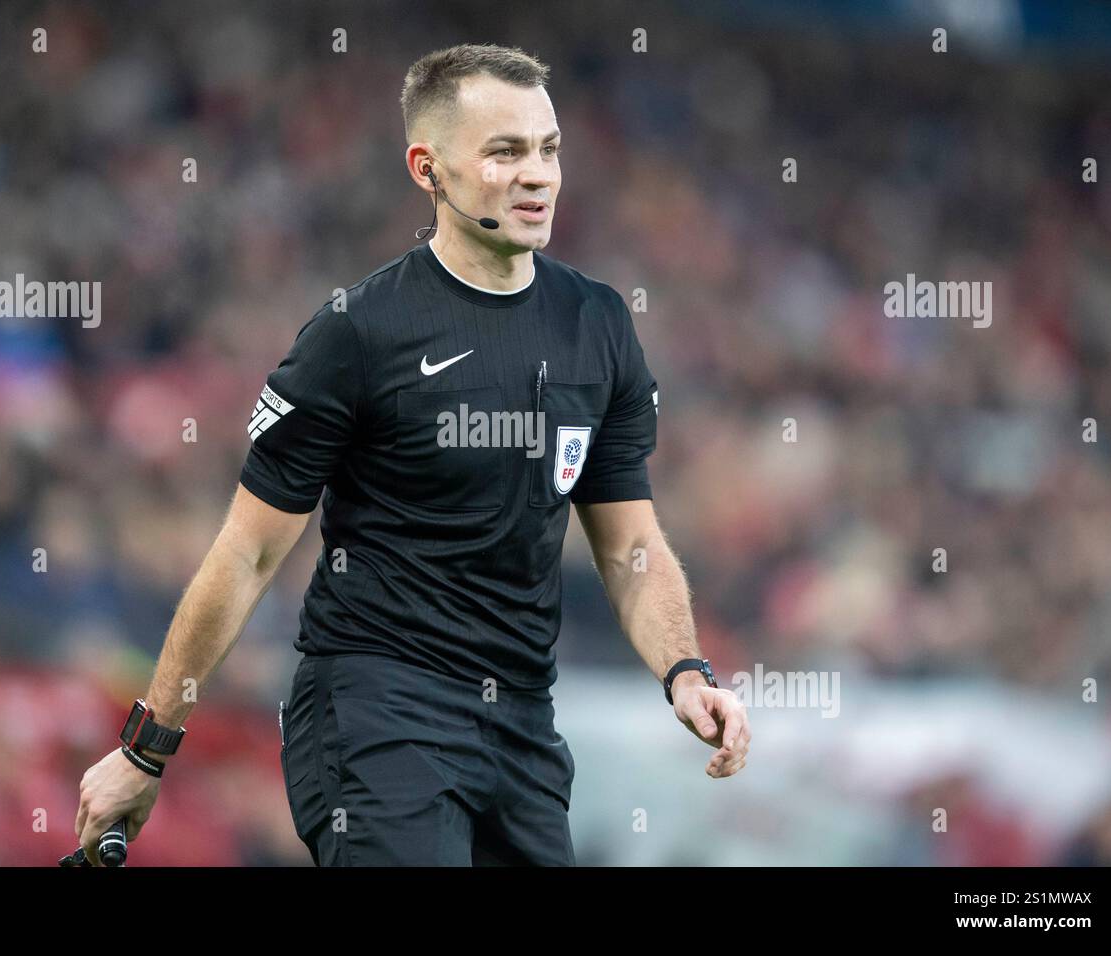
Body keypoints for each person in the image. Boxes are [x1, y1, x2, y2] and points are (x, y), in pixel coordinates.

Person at [75, 42, 750, 867]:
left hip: (522, 722)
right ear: (428, 168)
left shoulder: (599, 324)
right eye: (504, 152)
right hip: (376, 709)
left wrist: (684, 669)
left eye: (548, 149)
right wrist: (146, 750)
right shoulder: (356, 334)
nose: (537, 174)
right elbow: (247, 555)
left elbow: (631, 545)